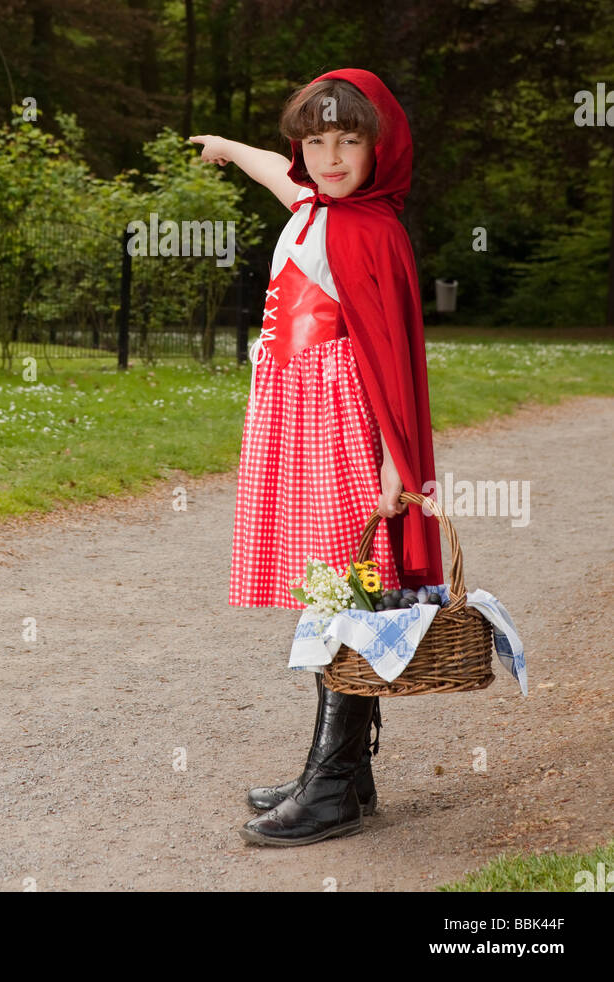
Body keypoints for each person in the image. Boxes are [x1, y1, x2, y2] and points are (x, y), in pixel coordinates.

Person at [188, 67, 444, 847]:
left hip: (345, 426)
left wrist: (396, 476)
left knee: (345, 595)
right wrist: (233, 148)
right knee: (331, 587)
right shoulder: (317, 206)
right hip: (299, 413)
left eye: (349, 141)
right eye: (315, 141)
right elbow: (285, 179)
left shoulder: (371, 231)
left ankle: (331, 786)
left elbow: (393, 362)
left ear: (379, 146)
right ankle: (342, 773)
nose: (329, 156)